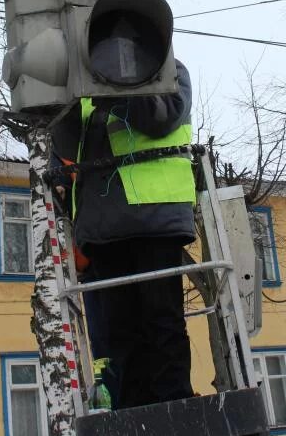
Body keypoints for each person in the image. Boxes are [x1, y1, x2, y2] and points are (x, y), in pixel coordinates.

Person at [50, 60, 196, 410]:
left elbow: (163, 116)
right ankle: (134, 410)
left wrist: (113, 91)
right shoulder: (81, 86)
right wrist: (61, 102)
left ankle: (174, 402)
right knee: (119, 329)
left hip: (154, 217)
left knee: (161, 318)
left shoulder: (167, 68)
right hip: (105, 228)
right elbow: (67, 144)